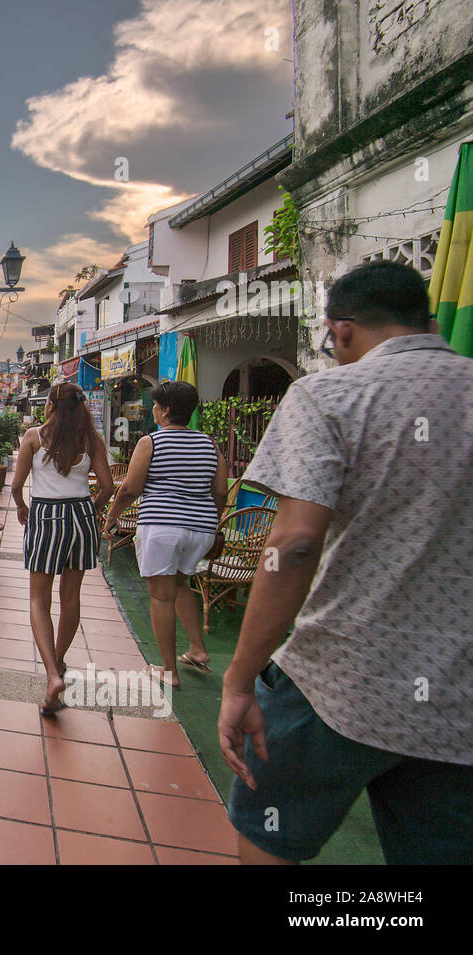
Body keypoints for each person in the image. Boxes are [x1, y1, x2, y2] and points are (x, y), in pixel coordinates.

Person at [219, 259, 473, 865]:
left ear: (342, 330)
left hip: (339, 679)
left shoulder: (329, 395)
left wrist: (240, 678)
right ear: (430, 324)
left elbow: (295, 544)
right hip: (458, 702)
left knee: (268, 838)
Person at [102, 380, 228, 689]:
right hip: (201, 531)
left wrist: (111, 518)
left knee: (160, 596)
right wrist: (210, 521)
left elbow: (130, 488)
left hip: (162, 528)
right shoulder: (210, 444)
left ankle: (169, 670)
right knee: (179, 585)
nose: (154, 411)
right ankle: (197, 649)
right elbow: (221, 491)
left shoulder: (152, 442)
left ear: (166, 410)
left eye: (157, 406)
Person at [12, 382, 114, 714]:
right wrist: (92, 511)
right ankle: (59, 660)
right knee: (70, 599)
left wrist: (21, 506)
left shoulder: (34, 437)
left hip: (46, 515)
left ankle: (52, 675)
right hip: (81, 516)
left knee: (38, 600)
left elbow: (16, 485)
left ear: (52, 406)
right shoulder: (91, 440)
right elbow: (108, 486)